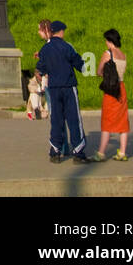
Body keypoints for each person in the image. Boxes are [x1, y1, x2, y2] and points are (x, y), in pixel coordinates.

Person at [36, 19, 87, 162]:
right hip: (68, 87)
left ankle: (55, 151)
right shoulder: (67, 47)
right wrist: (84, 67)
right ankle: (78, 152)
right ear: (61, 31)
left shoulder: (45, 49)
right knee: (74, 119)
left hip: (54, 88)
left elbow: (41, 68)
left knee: (56, 119)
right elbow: (78, 63)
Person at [93, 28, 130, 162]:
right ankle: (122, 152)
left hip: (111, 90)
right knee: (122, 120)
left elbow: (99, 71)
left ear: (109, 40)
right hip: (121, 88)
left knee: (107, 120)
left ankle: (101, 153)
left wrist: (105, 75)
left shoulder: (108, 53)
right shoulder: (123, 55)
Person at [34, 20, 69, 153]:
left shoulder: (51, 45)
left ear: (47, 30)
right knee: (57, 115)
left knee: (56, 116)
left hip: (53, 83)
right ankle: (63, 145)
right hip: (55, 82)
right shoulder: (50, 46)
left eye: (40, 30)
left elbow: (54, 63)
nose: (38, 33)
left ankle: (60, 146)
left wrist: (41, 72)